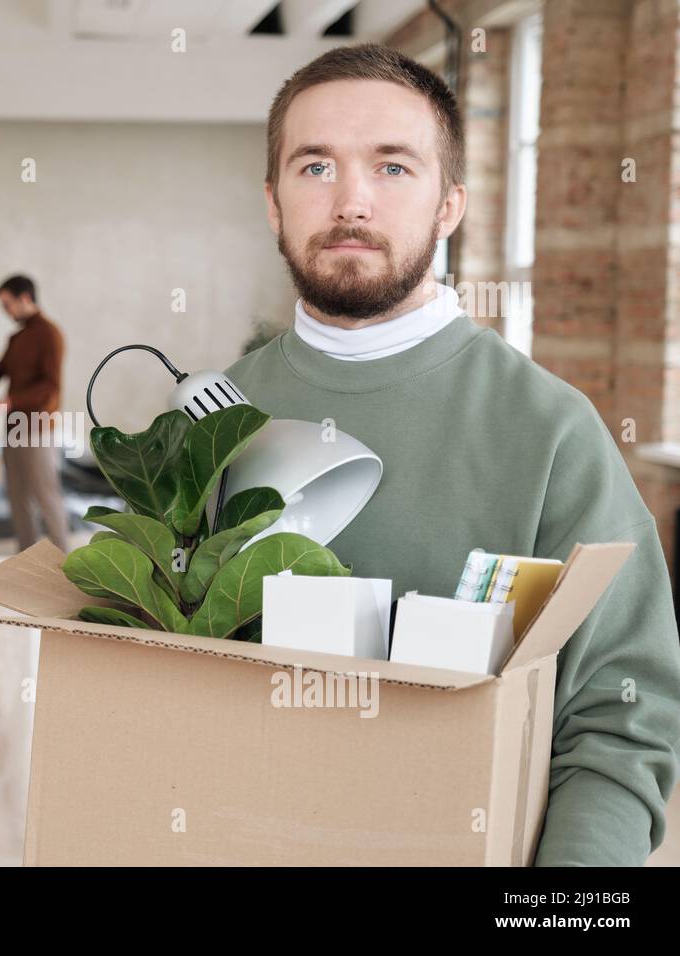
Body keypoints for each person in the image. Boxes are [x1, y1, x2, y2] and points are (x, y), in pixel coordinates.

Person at [226, 44, 680, 865]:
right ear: (272, 201)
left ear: (449, 206)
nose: (351, 200)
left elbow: (621, 723)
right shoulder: (209, 422)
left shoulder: (552, 432)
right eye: (316, 166)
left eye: (392, 167)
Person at [0, 275, 69, 553]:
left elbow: (51, 387)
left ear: (25, 298)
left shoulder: (50, 334)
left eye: (7, 304)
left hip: (37, 428)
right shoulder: (17, 338)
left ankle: (66, 561)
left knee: (46, 496)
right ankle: (25, 557)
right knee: (17, 497)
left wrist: (12, 400)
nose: (5, 311)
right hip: (13, 429)